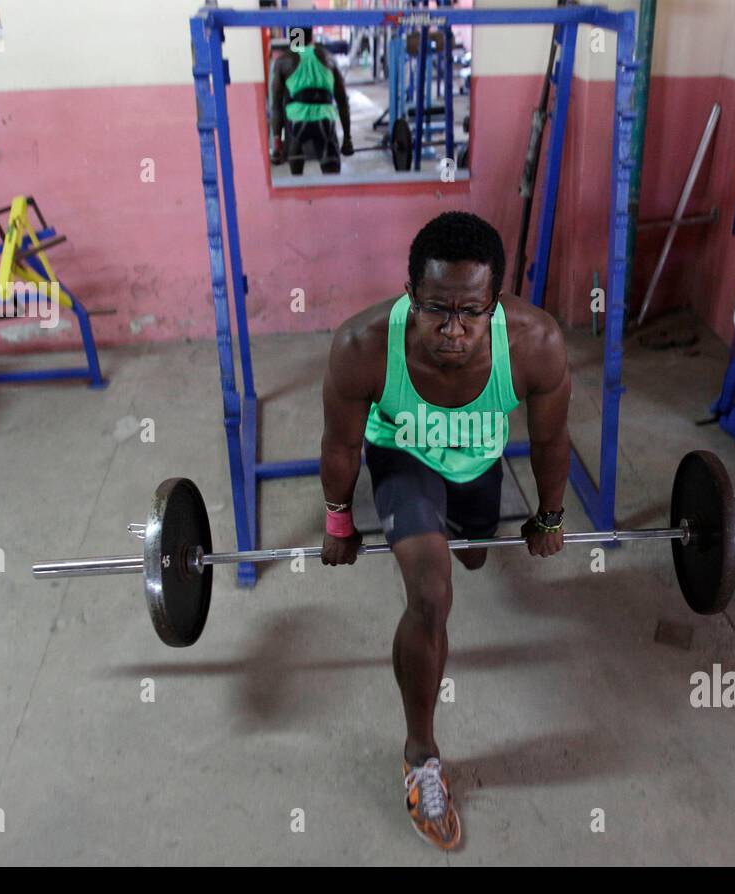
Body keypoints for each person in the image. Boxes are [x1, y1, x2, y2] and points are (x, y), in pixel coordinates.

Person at [318, 212, 572, 849]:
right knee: (432, 594)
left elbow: (549, 438)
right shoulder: (363, 345)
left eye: (471, 313)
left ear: (497, 303)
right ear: (411, 295)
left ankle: (468, 540)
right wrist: (339, 517)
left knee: (476, 558)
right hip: (403, 457)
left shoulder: (536, 342)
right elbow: (340, 443)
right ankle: (421, 753)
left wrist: (549, 514)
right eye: (436, 310)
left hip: (481, 462)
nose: (453, 330)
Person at [270, 27, 354, 174]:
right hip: (325, 121)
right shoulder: (328, 57)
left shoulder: (284, 60)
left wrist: (277, 144)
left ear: (292, 38)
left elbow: (276, 106)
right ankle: (332, 185)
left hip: (298, 123)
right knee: (330, 163)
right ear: (312, 37)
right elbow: (342, 101)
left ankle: (298, 184)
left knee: (294, 142)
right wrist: (347, 139)